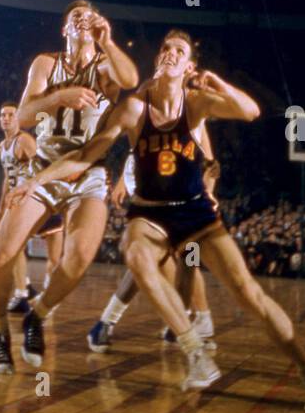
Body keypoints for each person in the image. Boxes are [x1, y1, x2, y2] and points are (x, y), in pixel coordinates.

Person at [15, 30, 305, 411]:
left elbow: (250, 111)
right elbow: (86, 155)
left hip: (194, 212)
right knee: (133, 252)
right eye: (165, 49)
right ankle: (196, 354)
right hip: (150, 211)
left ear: (189, 67)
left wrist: (217, 82)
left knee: (250, 295)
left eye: (179, 51)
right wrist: (36, 179)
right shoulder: (134, 109)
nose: (169, 53)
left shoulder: (197, 102)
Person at [0, 0, 138, 373]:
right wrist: (57, 97)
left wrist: (109, 41)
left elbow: (131, 79)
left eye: (90, 15)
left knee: (80, 257)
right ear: (64, 29)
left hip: (88, 169)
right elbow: (22, 117)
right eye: (76, 16)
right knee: (4, 253)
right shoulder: (45, 63)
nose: (83, 19)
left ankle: (37, 313)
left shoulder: (105, 65)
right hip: (43, 165)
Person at [87, 144, 219, 353]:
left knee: (188, 261)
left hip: (182, 194)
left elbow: (211, 165)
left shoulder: (193, 120)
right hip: (155, 188)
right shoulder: (151, 116)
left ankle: (188, 323)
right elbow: (134, 137)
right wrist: (123, 176)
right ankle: (106, 323)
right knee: (148, 257)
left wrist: (208, 193)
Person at [0, 103, 64, 315]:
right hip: (19, 202)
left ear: (18, 119)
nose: (6, 118)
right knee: (12, 246)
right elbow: (7, 178)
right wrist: (1, 207)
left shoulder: (24, 140)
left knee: (54, 257)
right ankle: (23, 292)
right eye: (2, 114)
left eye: (10, 115)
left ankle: (48, 298)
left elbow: (44, 166)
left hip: (41, 199)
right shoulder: (1, 146)